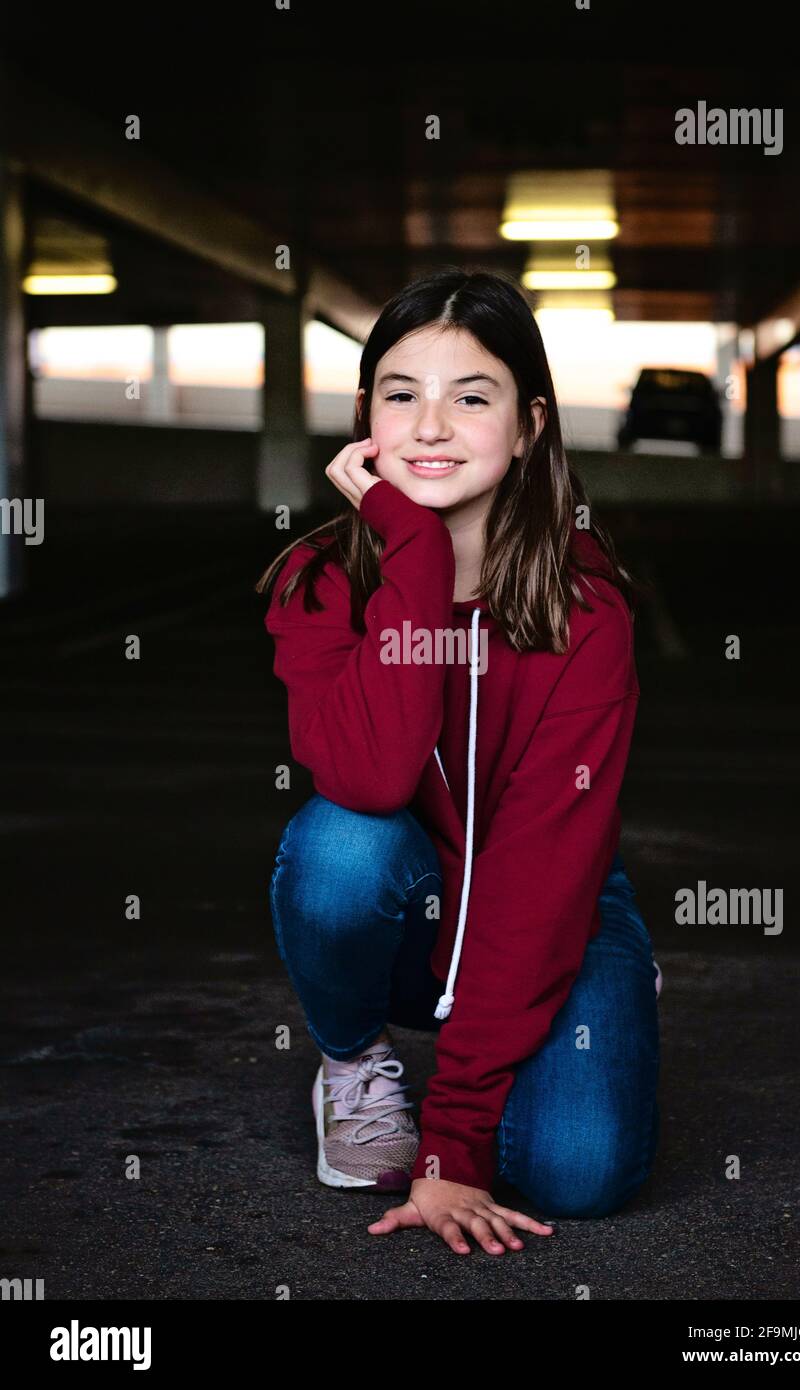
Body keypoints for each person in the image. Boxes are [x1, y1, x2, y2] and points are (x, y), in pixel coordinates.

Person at [257, 267, 662, 1258]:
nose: (430, 427)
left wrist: (455, 1140)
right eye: (402, 396)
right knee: (337, 847)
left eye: (470, 397)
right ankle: (354, 1064)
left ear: (528, 426)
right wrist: (416, 554)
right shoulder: (320, 582)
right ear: (365, 418)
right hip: (408, 896)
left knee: (580, 1168)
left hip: (550, 897)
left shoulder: (587, 609)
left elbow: (533, 871)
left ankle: (585, 1007)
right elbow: (373, 780)